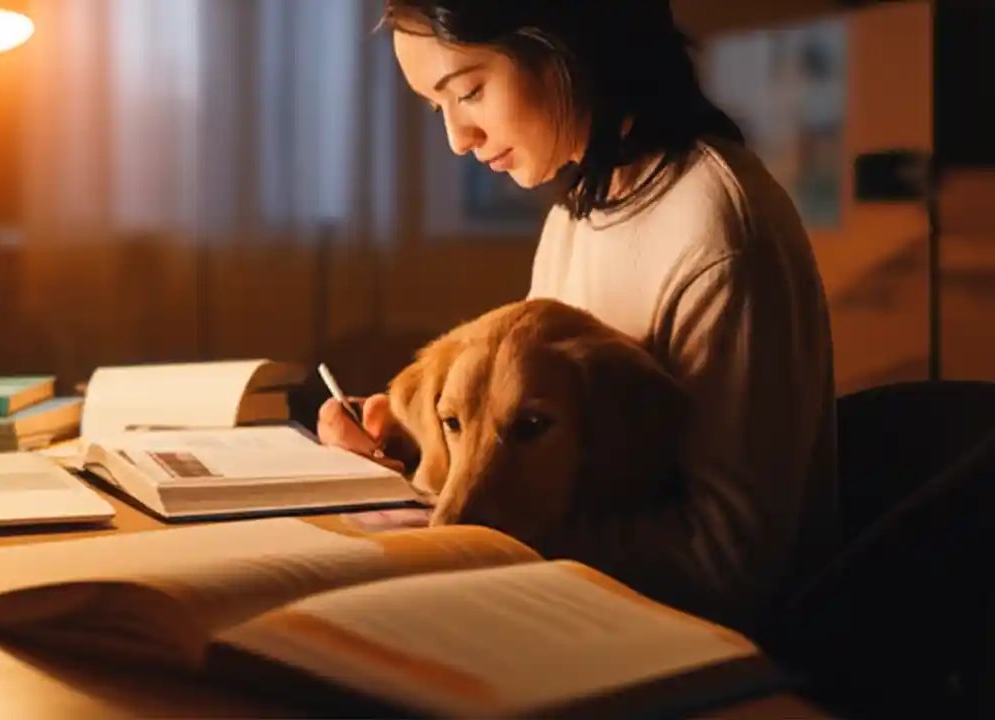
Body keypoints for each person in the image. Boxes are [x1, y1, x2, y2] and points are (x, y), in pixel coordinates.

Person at [317, 0, 838, 635]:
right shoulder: (578, 217)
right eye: (437, 108)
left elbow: (726, 563)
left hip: (696, 649)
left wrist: (487, 548)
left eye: (470, 92)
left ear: (561, 41)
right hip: (571, 615)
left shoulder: (718, 229)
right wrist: (410, 444)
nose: (457, 138)